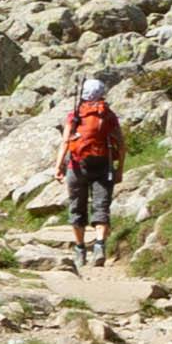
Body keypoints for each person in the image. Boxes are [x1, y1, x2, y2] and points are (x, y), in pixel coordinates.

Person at [61, 71, 126, 262]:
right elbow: (121, 145)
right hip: (104, 165)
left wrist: (58, 167)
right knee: (101, 206)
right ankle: (99, 246)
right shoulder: (108, 116)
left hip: (76, 166)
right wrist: (119, 169)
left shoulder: (75, 115)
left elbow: (65, 142)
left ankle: (80, 249)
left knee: (76, 207)